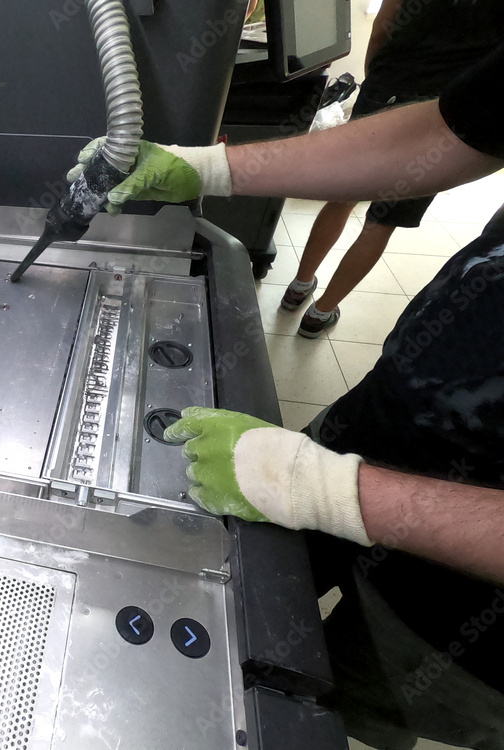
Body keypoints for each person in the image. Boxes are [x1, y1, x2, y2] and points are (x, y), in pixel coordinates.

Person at [69, 41, 504, 749]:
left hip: (462, 610)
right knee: (268, 606)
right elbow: (443, 135)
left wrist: (327, 491)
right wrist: (207, 166)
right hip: (380, 427)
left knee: (343, 713)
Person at [280, 0, 504, 338]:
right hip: (443, 117)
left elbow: (383, 25)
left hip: (389, 89)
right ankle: (320, 313)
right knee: (380, 223)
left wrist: (378, 82)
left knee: (342, 198)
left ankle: (299, 286)